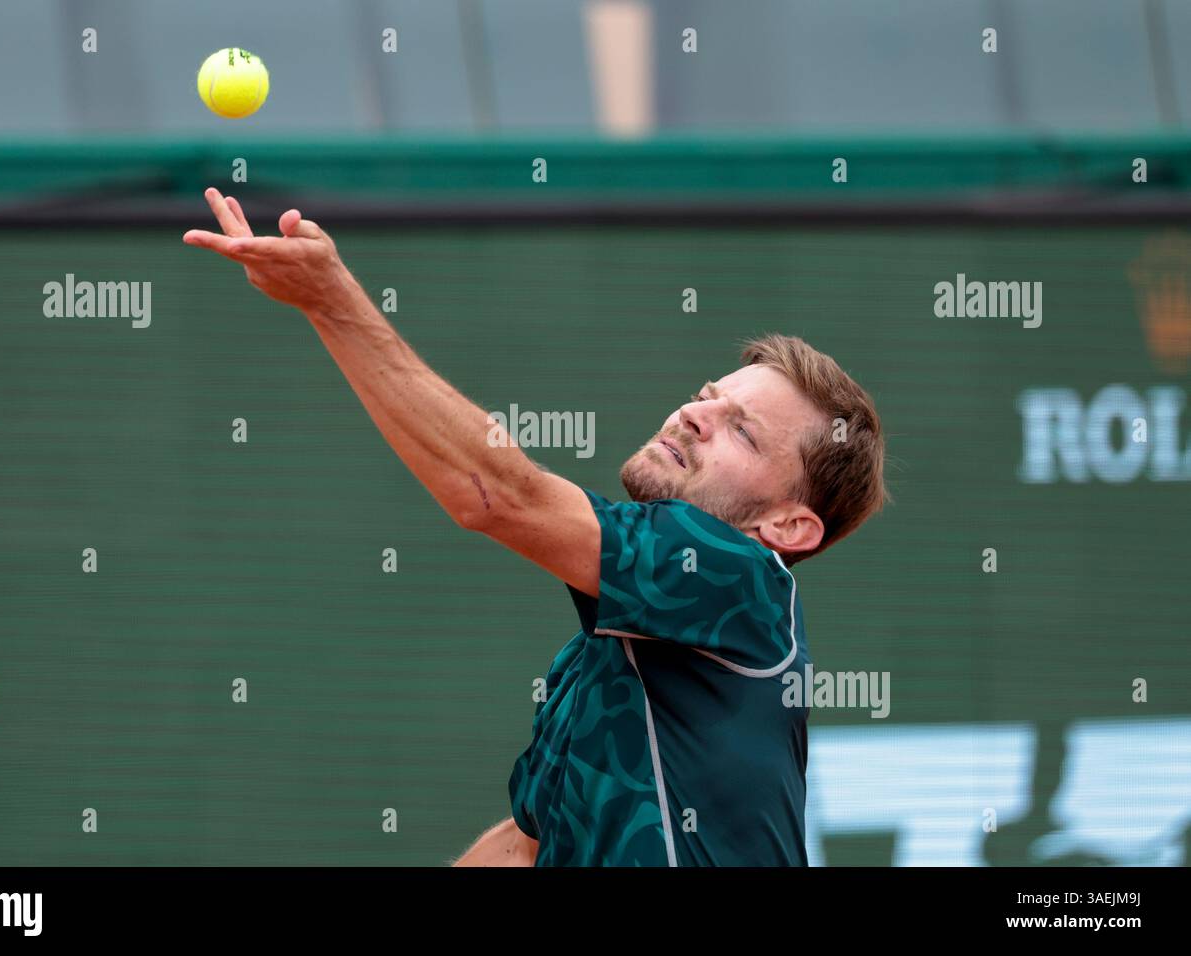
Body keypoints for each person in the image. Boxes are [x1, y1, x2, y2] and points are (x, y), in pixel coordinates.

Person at [184, 188, 888, 866]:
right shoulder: (596, 666)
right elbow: (527, 845)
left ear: (787, 527)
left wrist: (332, 302)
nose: (694, 414)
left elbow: (495, 494)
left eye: (743, 432)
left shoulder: (743, 583)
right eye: (707, 398)